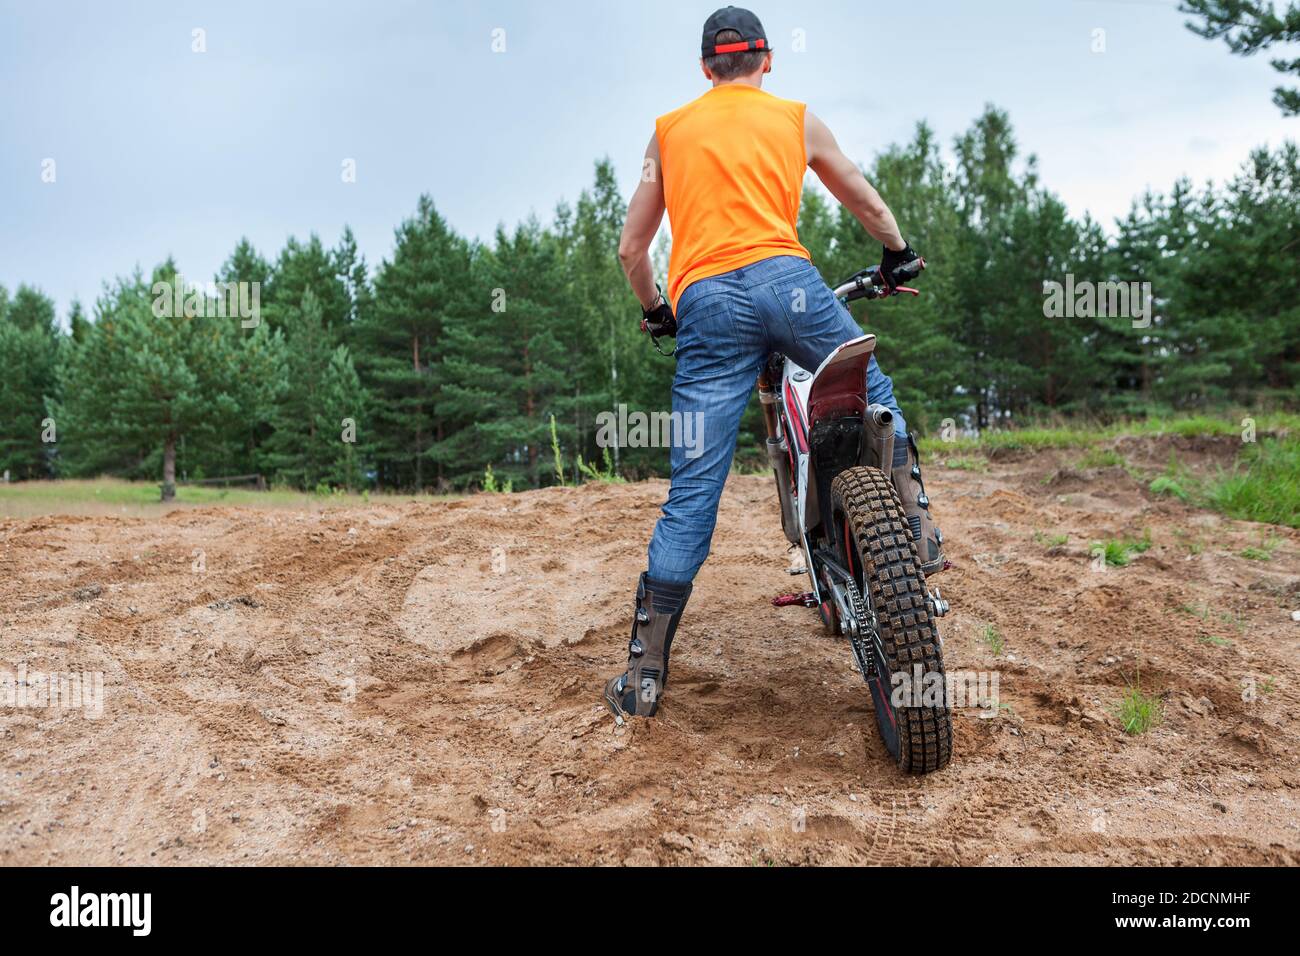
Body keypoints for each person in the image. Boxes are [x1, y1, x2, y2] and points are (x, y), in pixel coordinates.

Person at [604, 5, 944, 721]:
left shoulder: (669, 133)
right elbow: (856, 189)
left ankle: (645, 675)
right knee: (871, 389)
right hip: (791, 288)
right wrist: (895, 250)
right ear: (766, 63)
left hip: (707, 306)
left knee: (693, 490)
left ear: (706, 67)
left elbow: (633, 248)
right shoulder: (795, 119)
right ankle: (916, 530)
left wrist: (657, 307)